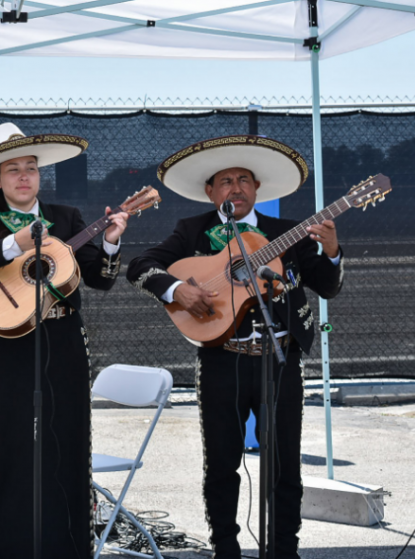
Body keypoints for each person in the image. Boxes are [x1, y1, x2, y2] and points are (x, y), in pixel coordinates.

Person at [127, 136, 344, 559]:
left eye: (244, 179)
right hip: (222, 362)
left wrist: (332, 251)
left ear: (257, 188)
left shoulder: (287, 233)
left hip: (280, 361)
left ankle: (285, 550)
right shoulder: (191, 230)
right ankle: (224, 548)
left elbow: (328, 287)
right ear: (211, 192)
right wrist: (176, 291)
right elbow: (140, 266)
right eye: (225, 181)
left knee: (285, 467)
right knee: (222, 464)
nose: (235, 188)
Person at [0, 123, 129, 559]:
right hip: (0, 343)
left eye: (31, 168)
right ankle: (4, 548)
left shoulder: (65, 218)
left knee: (65, 441)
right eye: (13, 170)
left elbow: (100, 281)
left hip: (62, 338)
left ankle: (65, 547)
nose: (24, 176)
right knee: (3, 444)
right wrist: (14, 244)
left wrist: (112, 243)